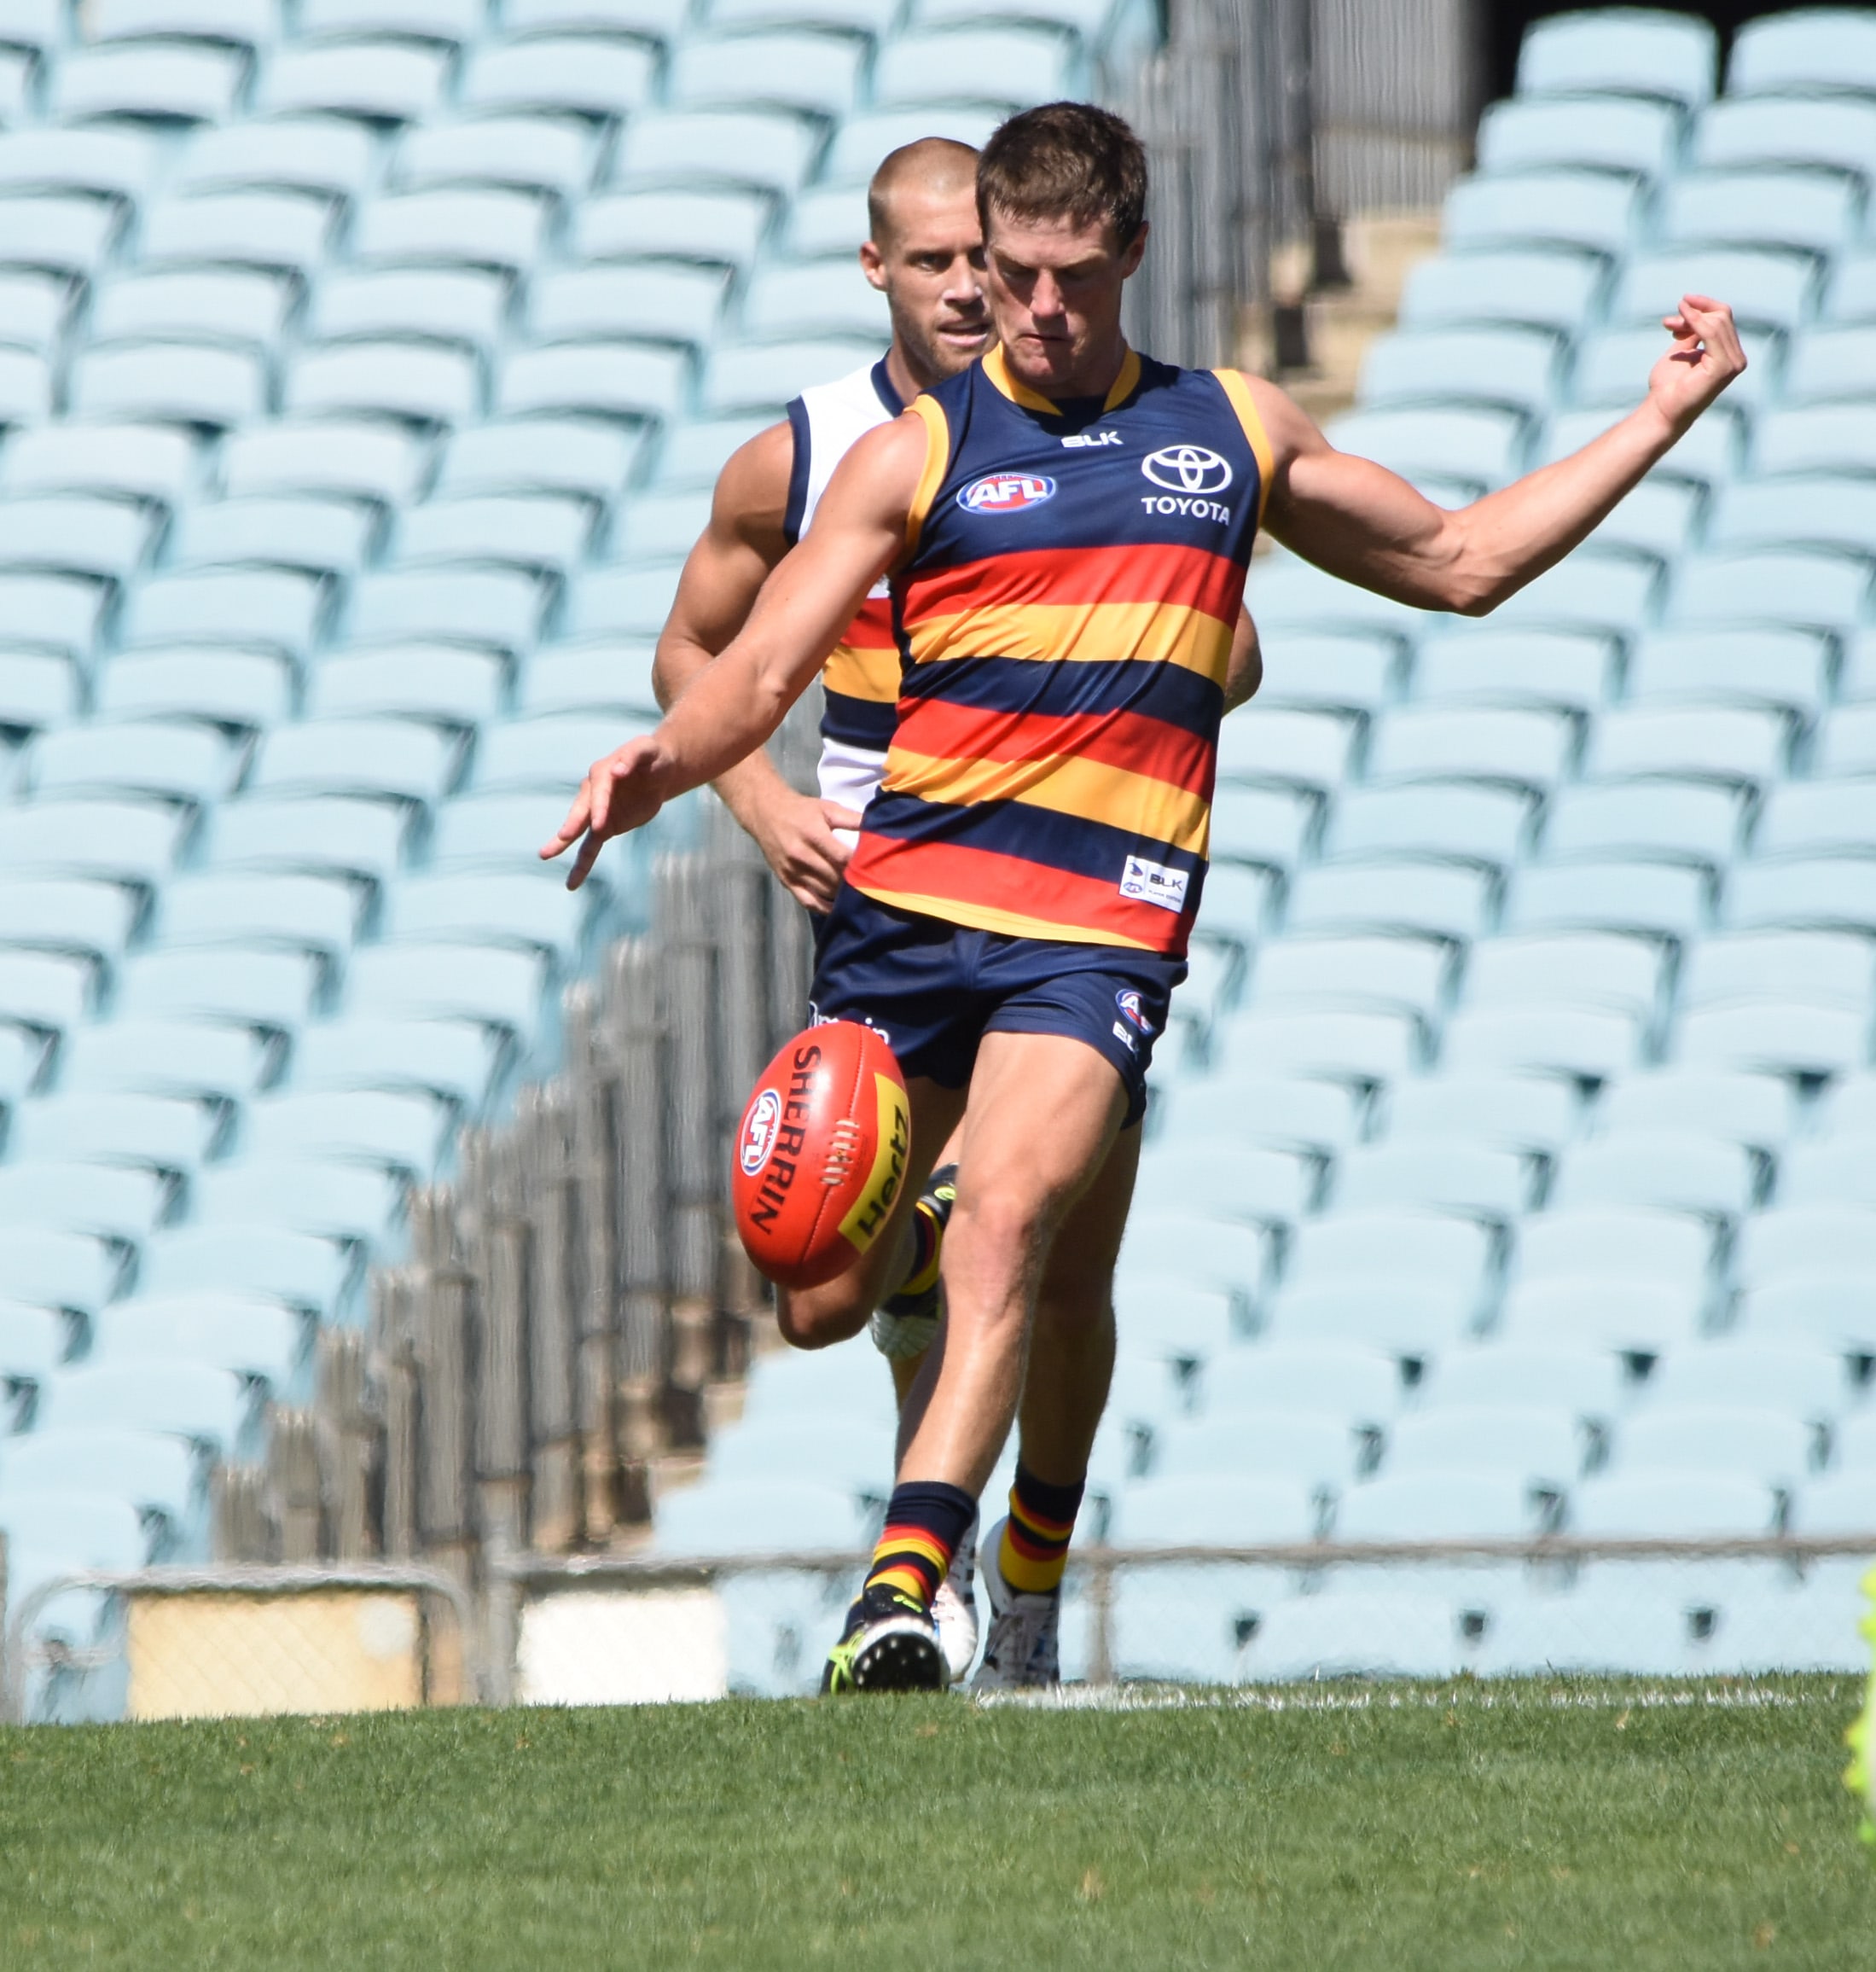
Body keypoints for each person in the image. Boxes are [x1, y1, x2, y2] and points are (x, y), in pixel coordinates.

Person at [545, 101, 1745, 1696]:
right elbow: (756, 667)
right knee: (822, 1301)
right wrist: (670, 765)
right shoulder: (917, 452)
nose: (1036, 312)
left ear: (1133, 255)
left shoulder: (1229, 433)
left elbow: (1460, 559)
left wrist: (1659, 413)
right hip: (903, 923)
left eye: (1073, 279)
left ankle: (907, 1592)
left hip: (1093, 931)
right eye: (1014, 274)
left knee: (1011, 1226)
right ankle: (943, 1487)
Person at [654, 130, 1264, 1690]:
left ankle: (1012, 1590)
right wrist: (761, 796)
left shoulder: (1111, 436)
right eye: (940, 265)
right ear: (891, 269)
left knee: (1052, 1259)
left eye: (978, 263)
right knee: (826, 1295)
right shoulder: (814, 457)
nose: (975, 295)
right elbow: (704, 663)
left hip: (1072, 890)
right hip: (886, 894)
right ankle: (924, 1284)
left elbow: (1236, 646)